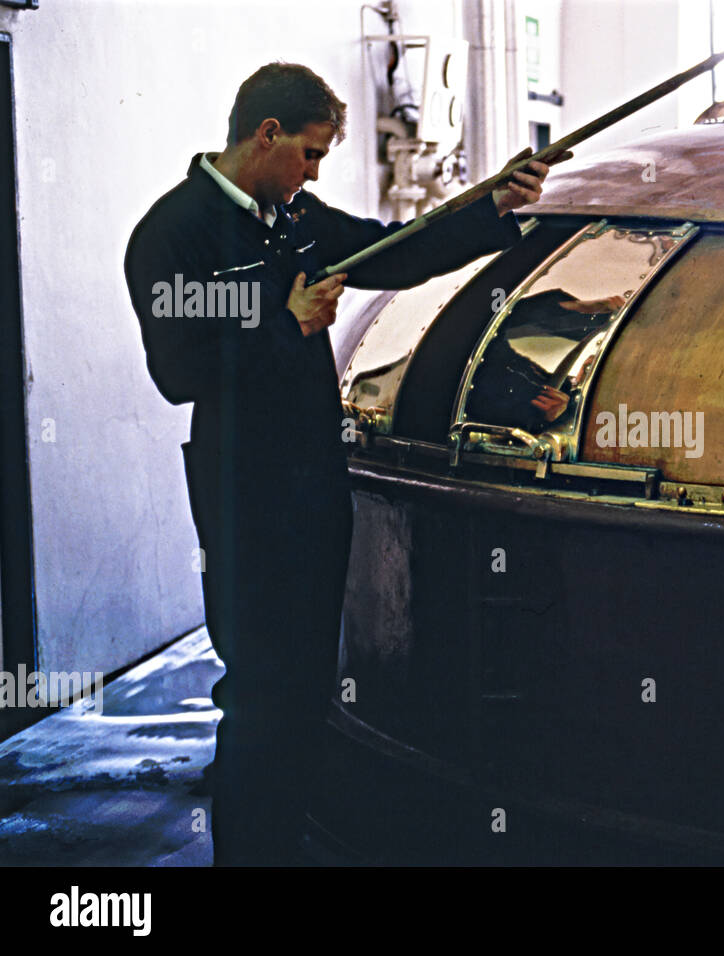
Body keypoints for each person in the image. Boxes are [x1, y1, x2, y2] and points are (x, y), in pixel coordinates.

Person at [123, 62, 567, 865]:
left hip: (312, 485)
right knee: (259, 689)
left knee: (304, 689)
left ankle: (286, 843)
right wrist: (282, 325)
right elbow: (177, 373)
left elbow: (393, 251)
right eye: (311, 152)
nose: (317, 172)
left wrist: (491, 204)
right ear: (267, 135)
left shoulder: (293, 216)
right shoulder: (173, 234)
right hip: (243, 492)